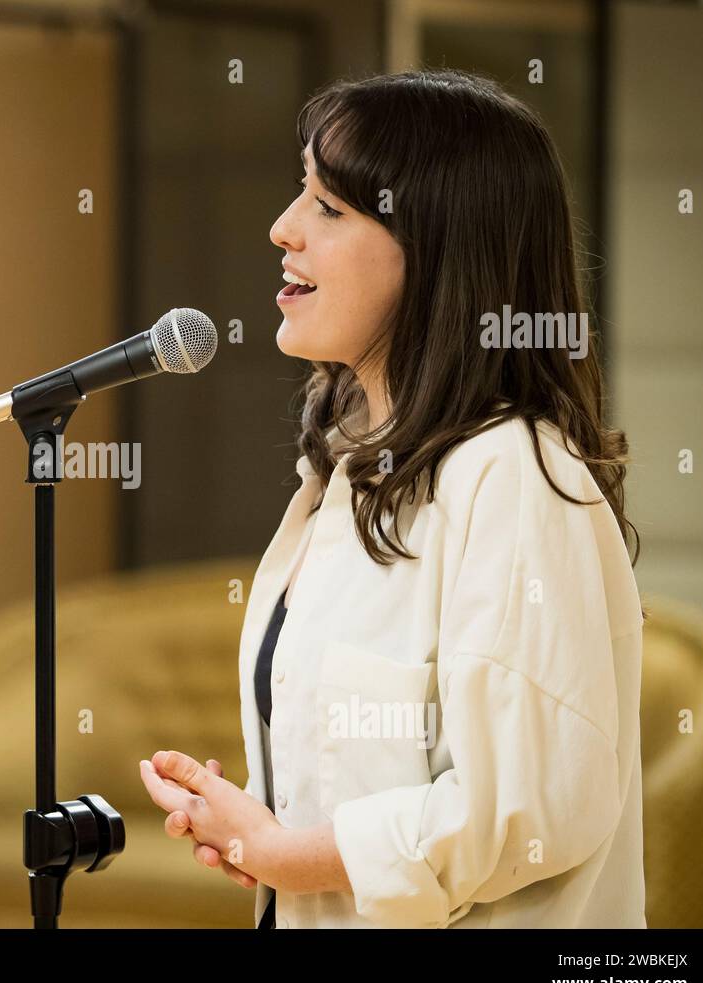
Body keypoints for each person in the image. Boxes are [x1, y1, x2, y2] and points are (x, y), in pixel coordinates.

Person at [138, 69, 646, 929]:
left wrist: (286, 856)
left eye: (329, 208)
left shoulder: (510, 473)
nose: (282, 229)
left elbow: (528, 808)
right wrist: (258, 822)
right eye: (301, 193)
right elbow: (380, 780)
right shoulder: (348, 472)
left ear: (440, 247)